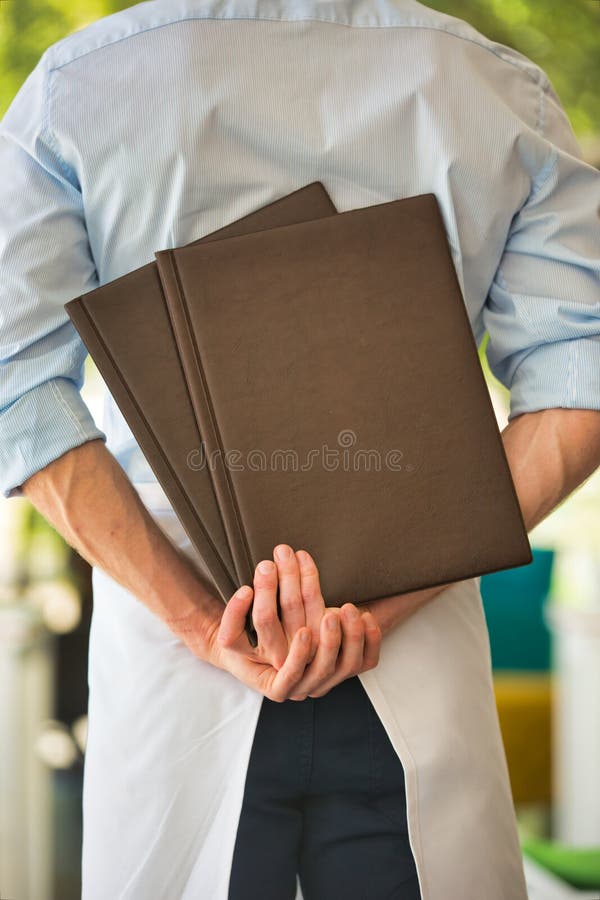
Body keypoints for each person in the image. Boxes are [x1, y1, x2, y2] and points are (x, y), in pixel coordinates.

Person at [1, 0, 600, 897]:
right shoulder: (494, 87)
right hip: (416, 636)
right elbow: (580, 384)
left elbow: (15, 386)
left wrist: (203, 624)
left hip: (180, 645)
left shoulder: (78, 89)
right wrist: (390, 597)